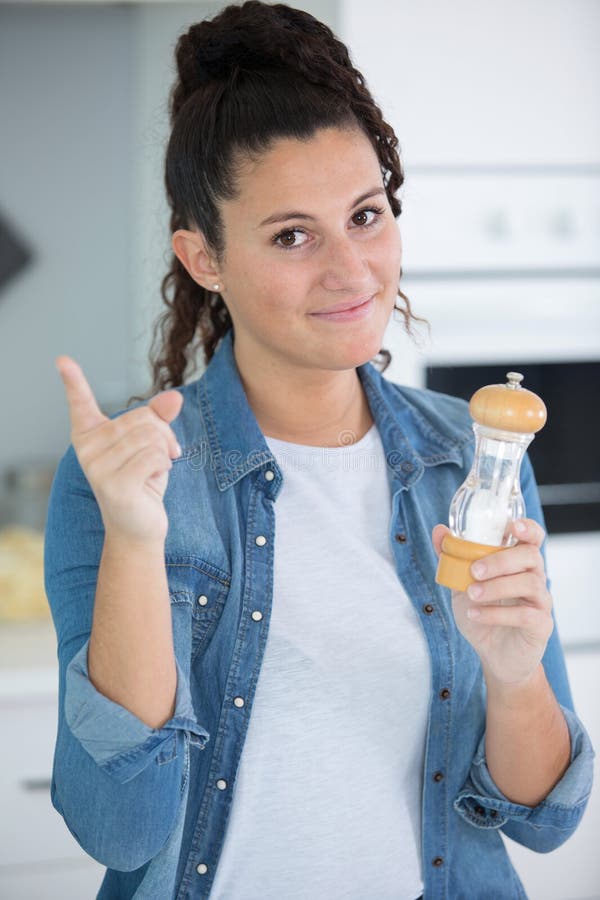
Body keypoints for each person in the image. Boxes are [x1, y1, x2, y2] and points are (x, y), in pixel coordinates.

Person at [44, 2, 594, 899]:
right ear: (203, 257)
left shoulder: (474, 457)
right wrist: (137, 545)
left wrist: (514, 667)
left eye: (367, 216)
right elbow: (123, 829)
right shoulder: (129, 477)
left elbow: (541, 818)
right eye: (292, 235)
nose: (350, 270)